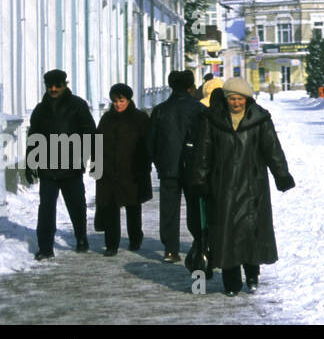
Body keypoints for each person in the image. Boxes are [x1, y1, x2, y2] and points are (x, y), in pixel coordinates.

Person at [190, 76, 295, 296]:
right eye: (232, 99)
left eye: (240, 98)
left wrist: (281, 174)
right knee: (226, 233)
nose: (236, 103)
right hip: (223, 186)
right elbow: (204, 153)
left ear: (247, 98)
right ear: (226, 99)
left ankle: (252, 274)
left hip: (252, 186)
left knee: (251, 232)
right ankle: (231, 282)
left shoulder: (260, 119)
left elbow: (272, 149)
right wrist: (200, 179)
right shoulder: (213, 120)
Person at [27, 69, 97, 259]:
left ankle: (81, 237)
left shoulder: (77, 105)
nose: (53, 89)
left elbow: (90, 131)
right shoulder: (40, 109)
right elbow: (33, 136)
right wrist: (29, 163)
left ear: (65, 85)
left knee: (76, 205)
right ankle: (45, 247)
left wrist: (89, 157)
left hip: (71, 165)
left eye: (57, 85)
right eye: (50, 85)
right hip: (47, 167)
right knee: (46, 208)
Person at [147, 70, 204, 263]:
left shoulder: (160, 110)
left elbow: (151, 142)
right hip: (194, 168)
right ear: (190, 87)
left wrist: (159, 162)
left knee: (169, 209)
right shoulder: (199, 109)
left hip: (168, 168)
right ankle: (200, 244)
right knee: (195, 207)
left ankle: (170, 250)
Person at [93, 84, 152, 256]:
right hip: (109, 170)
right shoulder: (106, 119)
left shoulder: (140, 118)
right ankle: (111, 244)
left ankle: (135, 238)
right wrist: (97, 166)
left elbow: (147, 144)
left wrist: (144, 165)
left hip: (132, 170)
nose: (118, 104)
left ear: (128, 100)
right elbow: (97, 142)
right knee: (110, 207)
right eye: (115, 101)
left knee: (133, 206)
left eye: (121, 100)